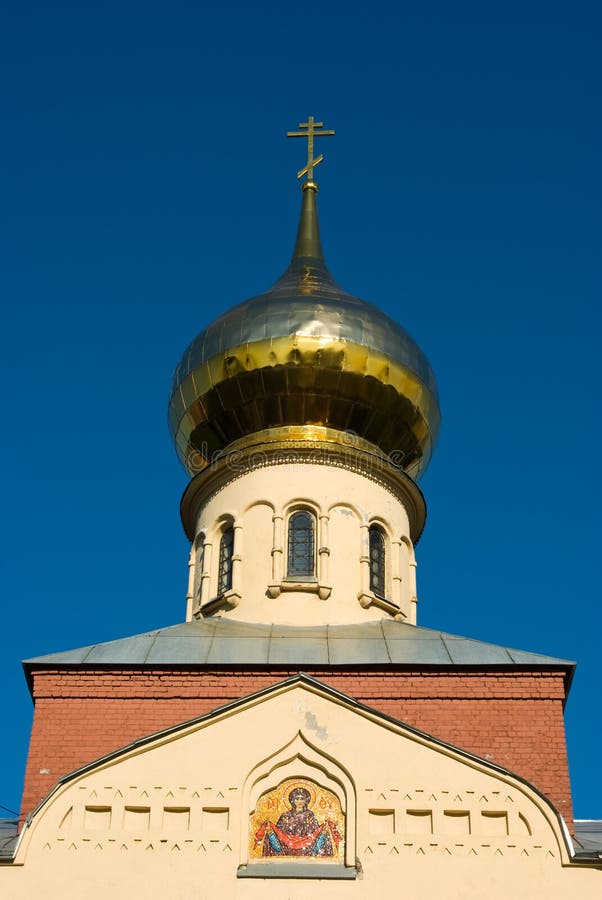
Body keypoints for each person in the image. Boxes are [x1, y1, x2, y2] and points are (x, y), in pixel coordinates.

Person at [255, 787, 341, 857]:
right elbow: (279, 833)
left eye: (302, 799)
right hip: (286, 846)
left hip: (308, 847)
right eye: (297, 799)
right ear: (292, 800)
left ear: (306, 801)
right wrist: (270, 827)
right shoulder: (285, 815)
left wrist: (324, 827)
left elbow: (315, 833)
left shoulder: (310, 815)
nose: (299, 801)